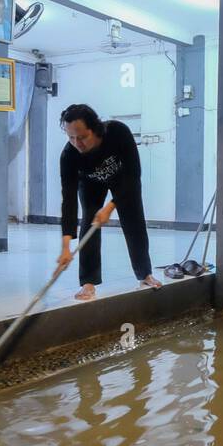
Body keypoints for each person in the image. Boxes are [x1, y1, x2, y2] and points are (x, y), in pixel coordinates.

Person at [56, 103, 162, 300]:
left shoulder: (117, 132)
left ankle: (145, 274)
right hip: (90, 183)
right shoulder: (69, 156)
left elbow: (134, 174)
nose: (77, 143)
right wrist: (65, 248)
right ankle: (88, 282)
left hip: (124, 178)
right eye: (71, 138)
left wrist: (110, 207)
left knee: (133, 220)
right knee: (89, 222)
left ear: (94, 129)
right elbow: (68, 200)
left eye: (82, 137)